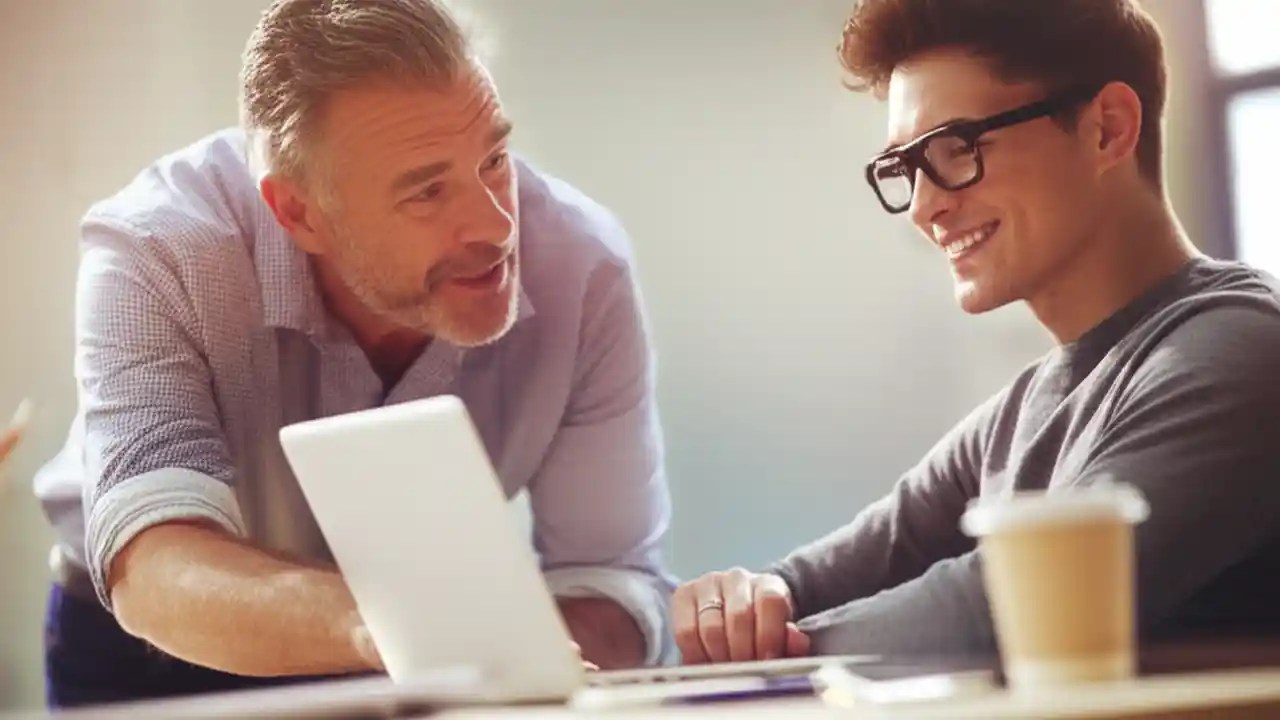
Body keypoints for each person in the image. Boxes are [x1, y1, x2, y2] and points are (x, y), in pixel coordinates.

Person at [34, 0, 673, 707]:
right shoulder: (161, 249)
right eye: (428, 191)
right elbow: (155, 566)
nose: (497, 228)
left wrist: (535, 668)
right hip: (153, 647)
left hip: (442, 645)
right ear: (299, 213)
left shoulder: (583, 269)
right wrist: (400, 628)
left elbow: (608, 579)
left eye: (494, 159)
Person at [673, 0, 1280, 665]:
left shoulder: (1239, 353)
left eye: (955, 149)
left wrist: (766, 650)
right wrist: (739, 604)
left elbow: (1015, 614)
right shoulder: (1019, 413)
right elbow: (814, 581)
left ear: (1107, 128)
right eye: (906, 167)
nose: (926, 207)